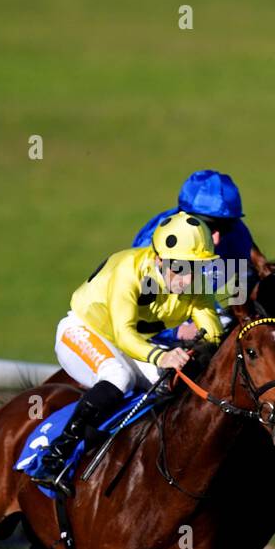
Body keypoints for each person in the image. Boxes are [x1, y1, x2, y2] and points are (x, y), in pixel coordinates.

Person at [34, 212, 223, 494]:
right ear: (160, 260)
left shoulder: (197, 284)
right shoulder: (129, 270)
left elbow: (214, 333)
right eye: (180, 268)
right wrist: (163, 356)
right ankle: (56, 457)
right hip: (83, 329)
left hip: (128, 344)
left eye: (196, 268)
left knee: (173, 381)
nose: (187, 279)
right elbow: (124, 334)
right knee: (118, 375)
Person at [133, 169, 255, 311]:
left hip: (200, 306)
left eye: (226, 227)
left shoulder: (237, 234)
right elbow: (138, 307)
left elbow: (246, 281)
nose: (216, 240)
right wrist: (176, 330)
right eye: (208, 227)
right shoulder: (154, 241)